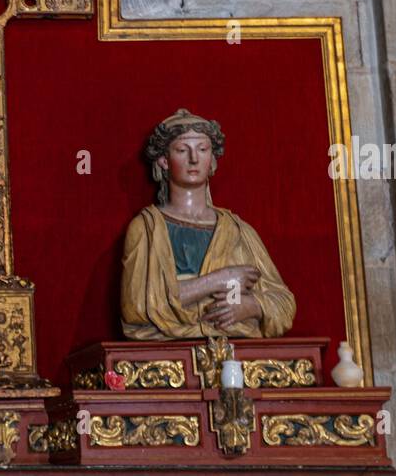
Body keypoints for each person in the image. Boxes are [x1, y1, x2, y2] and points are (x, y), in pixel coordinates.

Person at [121, 108, 295, 340]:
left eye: (202, 150)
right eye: (182, 150)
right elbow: (136, 307)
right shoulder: (147, 229)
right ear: (164, 160)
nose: (194, 159)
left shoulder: (238, 231)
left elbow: (282, 300)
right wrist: (219, 280)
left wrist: (252, 305)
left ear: (212, 159)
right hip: (166, 359)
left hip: (237, 355)